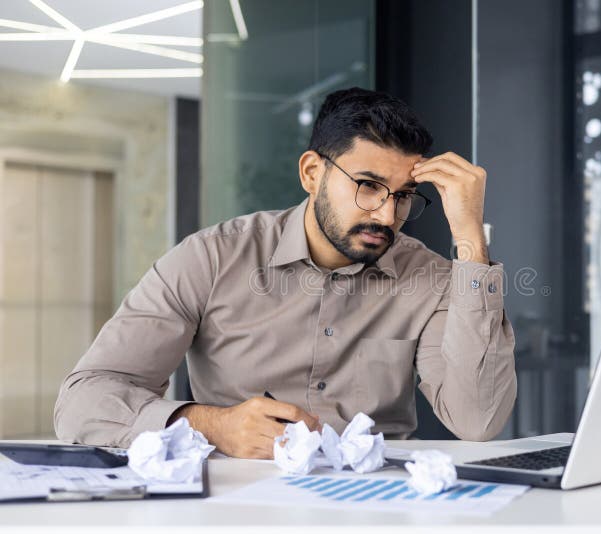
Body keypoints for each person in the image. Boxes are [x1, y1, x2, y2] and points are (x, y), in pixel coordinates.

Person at [54, 87, 517, 458]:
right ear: (312, 173)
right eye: (368, 186)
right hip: (238, 506)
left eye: (403, 195)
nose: (386, 212)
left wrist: (470, 240)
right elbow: (82, 402)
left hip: (379, 506)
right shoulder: (211, 258)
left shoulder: (432, 279)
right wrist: (211, 425)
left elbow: (477, 421)